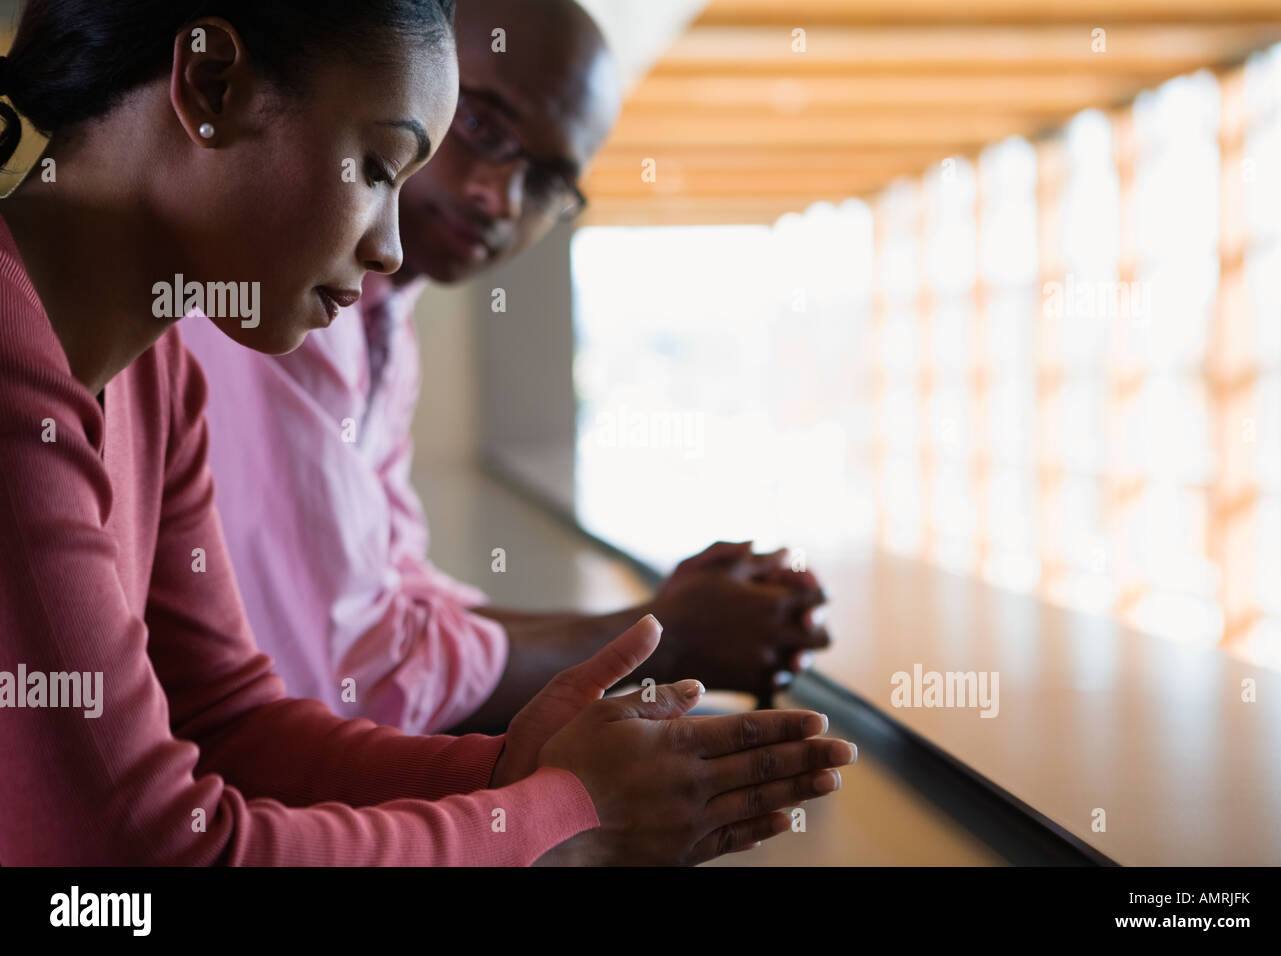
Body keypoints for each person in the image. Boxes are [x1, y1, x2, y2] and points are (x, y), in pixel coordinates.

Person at [0, 0, 856, 866]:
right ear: (209, 84)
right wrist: (563, 826)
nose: (391, 249)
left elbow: (229, 722)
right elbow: (143, 851)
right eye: (377, 167)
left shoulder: (160, 375)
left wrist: (515, 771)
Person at [181, 0, 834, 738]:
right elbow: (353, 673)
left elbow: (397, 591)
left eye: (550, 180)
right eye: (482, 127)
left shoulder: (383, 320)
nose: (500, 197)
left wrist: (646, 635)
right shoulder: (280, 307)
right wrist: (665, 640)